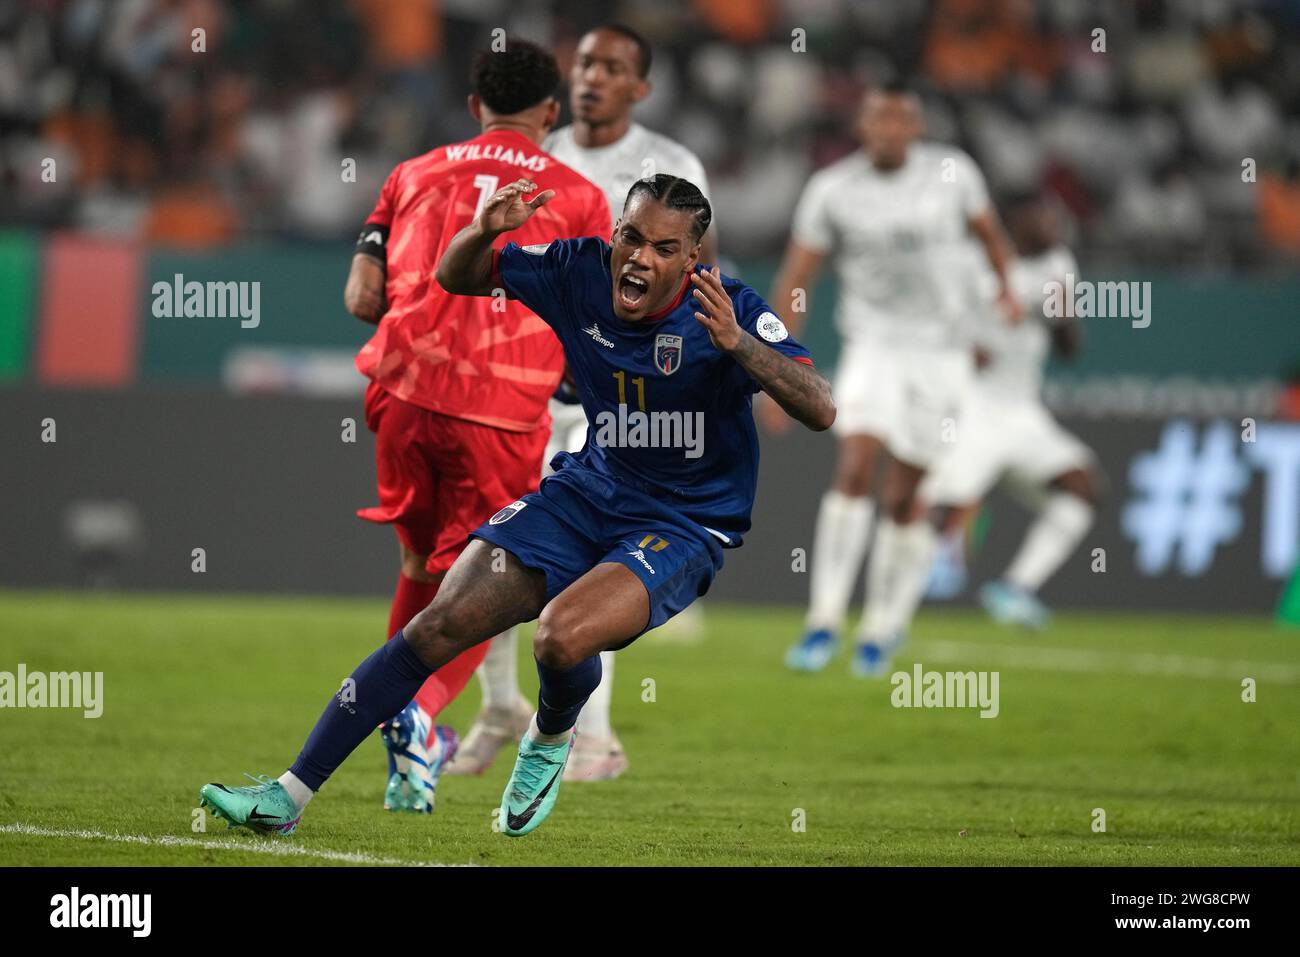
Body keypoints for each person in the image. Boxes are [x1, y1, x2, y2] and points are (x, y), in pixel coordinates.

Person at [199, 173, 833, 837]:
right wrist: (484, 230)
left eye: (663, 248)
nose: (639, 257)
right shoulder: (578, 270)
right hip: (586, 492)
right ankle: (287, 794)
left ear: (692, 260)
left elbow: (819, 406)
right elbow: (457, 276)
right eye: (631, 237)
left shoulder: (725, 308)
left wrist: (742, 347)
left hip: (682, 523)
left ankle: (550, 737)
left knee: (560, 636)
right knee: (438, 621)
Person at [340, 39, 609, 813]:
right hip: (502, 408)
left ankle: (407, 735)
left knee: (424, 562)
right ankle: (419, 715)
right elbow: (587, 312)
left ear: (472, 107)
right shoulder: (583, 197)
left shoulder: (411, 173)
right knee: (496, 583)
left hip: (404, 391)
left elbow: (363, 297)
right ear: (552, 113)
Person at [450, 23, 715, 785]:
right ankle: (500, 702)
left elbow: (702, 276)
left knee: (590, 569)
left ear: (641, 86)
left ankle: (591, 738)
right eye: (586, 63)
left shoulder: (672, 165)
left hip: (618, 397)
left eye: (613, 67)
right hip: (524, 386)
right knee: (497, 551)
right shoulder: (542, 155)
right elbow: (505, 269)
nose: (593, 77)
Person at [770, 82, 1021, 677]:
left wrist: (1004, 292)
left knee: (907, 498)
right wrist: (777, 367)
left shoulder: (954, 174)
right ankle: (823, 621)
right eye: (878, 119)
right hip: (874, 346)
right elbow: (797, 276)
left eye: (900, 119)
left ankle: (884, 627)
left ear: (916, 127)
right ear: (862, 127)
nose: (888, 129)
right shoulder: (833, 190)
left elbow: (991, 238)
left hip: (943, 353)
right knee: (856, 464)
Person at [922, 193, 1098, 628]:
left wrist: (1064, 313)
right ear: (1014, 220)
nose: (1051, 226)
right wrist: (961, 350)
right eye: (1042, 215)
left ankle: (1015, 588)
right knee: (940, 502)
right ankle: (905, 587)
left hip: (1022, 410)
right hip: (974, 404)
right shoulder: (973, 262)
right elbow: (931, 321)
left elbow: (1070, 350)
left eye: (1056, 219)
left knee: (1082, 487)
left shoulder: (1059, 265)